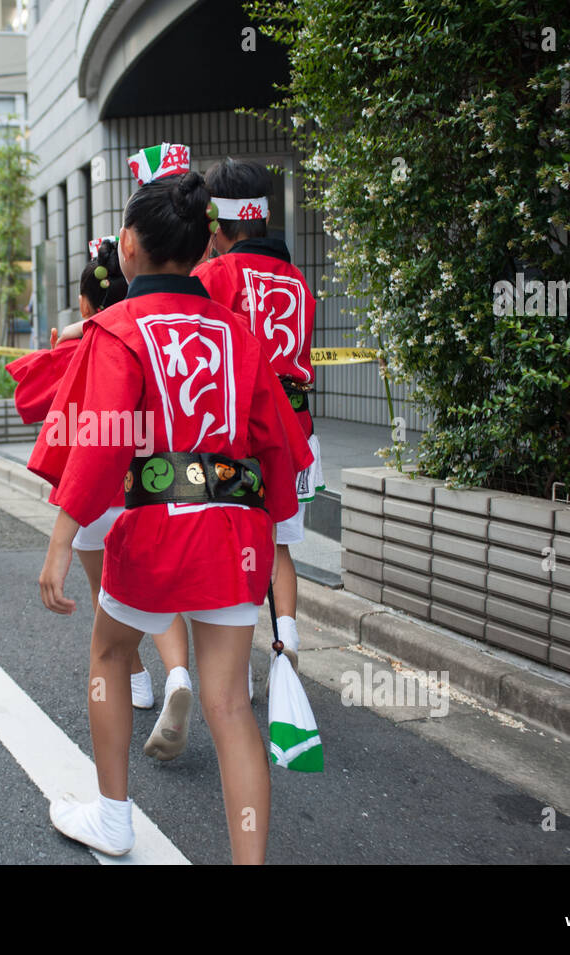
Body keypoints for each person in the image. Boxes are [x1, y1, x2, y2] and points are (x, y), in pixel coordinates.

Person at [31, 147, 311, 863]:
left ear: (128, 246)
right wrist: (274, 528)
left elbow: (97, 445)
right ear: (200, 248)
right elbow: (274, 443)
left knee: (108, 650)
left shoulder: (116, 329)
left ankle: (114, 816)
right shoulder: (237, 331)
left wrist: (63, 537)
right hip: (234, 534)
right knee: (229, 704)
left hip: (156, 530)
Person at [8, 237, 196, 760]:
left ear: (87, 305)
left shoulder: (86, 344)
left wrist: (60, 343)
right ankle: (179, 674)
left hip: (90, 502)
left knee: (107, 595)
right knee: (161, 596)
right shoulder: (161, 341)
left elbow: (30, 400)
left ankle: (135, 680)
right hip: (154, 492)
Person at [194, 158, 319, 669]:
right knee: (281, 546)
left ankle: (237, 670)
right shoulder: (296, 281)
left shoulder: (213, 275)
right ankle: (286, 637)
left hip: (241, 430)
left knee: (235, 548)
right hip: (297, 430)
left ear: (215, 224)